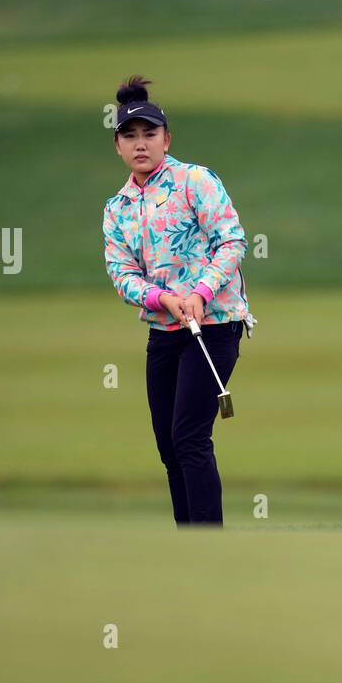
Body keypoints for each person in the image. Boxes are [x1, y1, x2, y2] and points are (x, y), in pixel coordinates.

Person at [103, 75, 255, 527]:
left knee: (190, 436)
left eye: (149, 134)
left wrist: (199, 293)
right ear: (118, 147)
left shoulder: (195, 181)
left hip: (215, 325)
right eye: (129, 136)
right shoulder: (117, 208)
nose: (141, 144)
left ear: (166, 139)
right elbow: (122, 273)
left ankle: (209, 541)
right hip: (164, 329)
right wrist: (163, 298)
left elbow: (231, 240)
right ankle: (186, 539)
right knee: (168, 445)